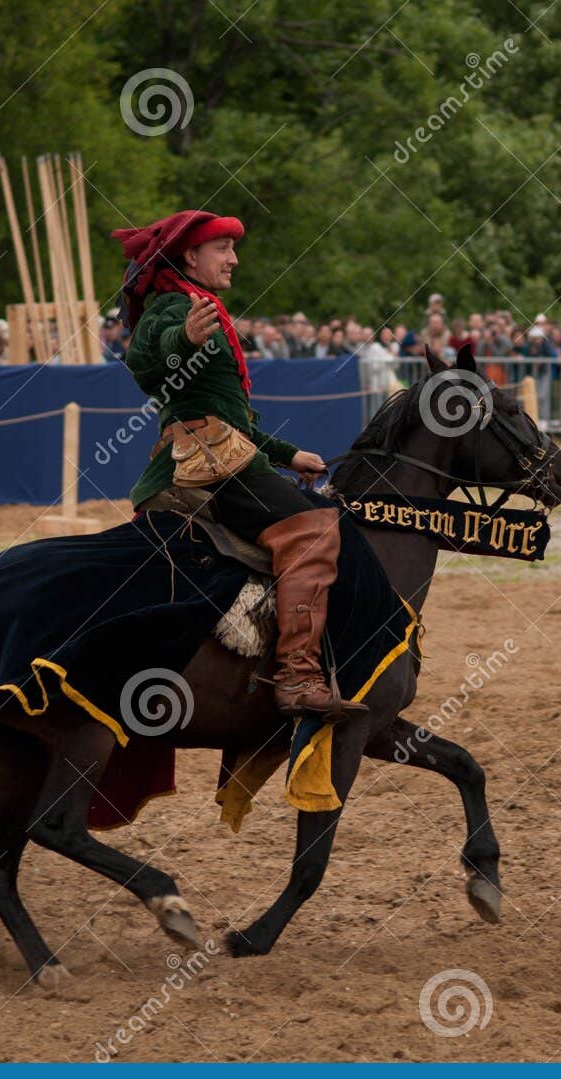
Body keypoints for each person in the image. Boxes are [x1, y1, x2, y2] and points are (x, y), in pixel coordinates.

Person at [113, 209, 363, 720]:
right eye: (223, 249)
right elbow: (145, 360)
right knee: (314, 532)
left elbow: (232, 419)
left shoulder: (200, 306)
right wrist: (182, 340)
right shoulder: (172, 307)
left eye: (232, 248)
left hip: (224, 453)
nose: (234, 258)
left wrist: (288, 454)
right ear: (190, 256)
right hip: (204, 467)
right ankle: (297, 676)